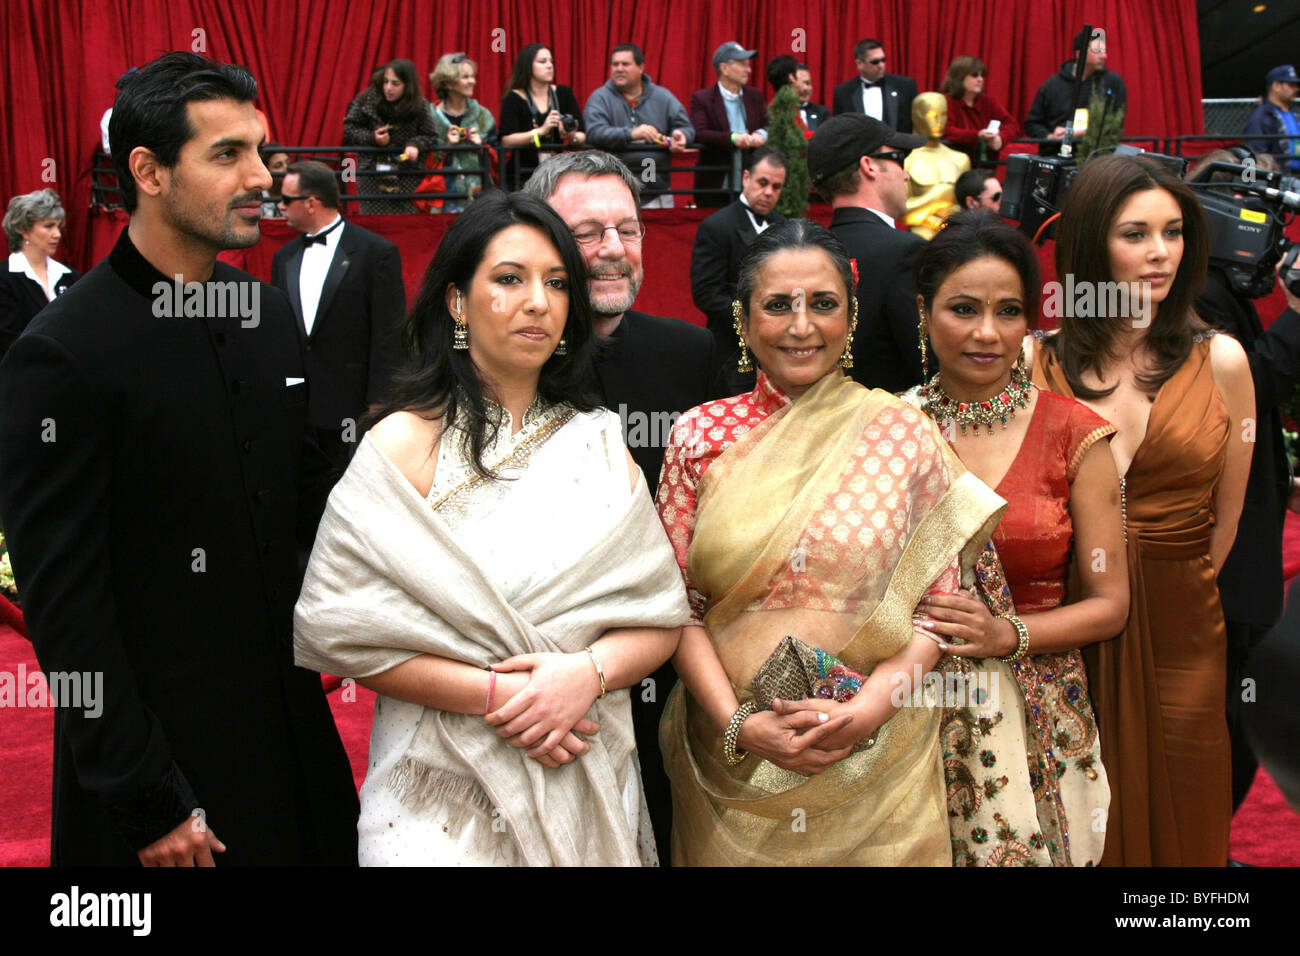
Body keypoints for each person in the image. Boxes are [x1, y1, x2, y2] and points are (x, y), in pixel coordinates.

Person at [0, 51, 359, 866]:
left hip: (295, 751)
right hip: (160, 788)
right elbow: (65, 609)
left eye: (260, 151)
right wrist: (146, 797)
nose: (262, 177)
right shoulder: (62, 352)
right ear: (148, 171)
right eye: (227, 154)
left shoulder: (268, 320)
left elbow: (315, 515)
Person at [293, 190, 691, 866]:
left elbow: (660, 616)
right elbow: (339, 628)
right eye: (509, 279)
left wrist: (586, 674)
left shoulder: (600, 442)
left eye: (557, 283)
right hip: (435, 799)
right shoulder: (400, 445)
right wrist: (505, 696)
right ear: (456, 301)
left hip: (585, 771)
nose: (537, 301)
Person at [655, 219, 1006, 865]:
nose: (801, 325)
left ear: (850, 316)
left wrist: (874, 705)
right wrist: (740, 724)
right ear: (742, 318)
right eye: (778, 304)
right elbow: (675, 606)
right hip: (732, 763)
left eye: (823, 304)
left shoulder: (903, 432)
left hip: (879, 756)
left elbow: (938, 607)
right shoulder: (698, 436)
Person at [1033, 154, 1254, 866]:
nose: (1161, 252)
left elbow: (1225, 522)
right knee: (1071, 818)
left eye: (1174, 231)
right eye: (1136, 234)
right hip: (1062, 629)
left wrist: (1167, 581)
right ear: (1092, 244)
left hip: (1183, 629)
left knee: (1185, 810)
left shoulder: (1222, 360)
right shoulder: (1034, 365)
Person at [902, 211, 1127, 866]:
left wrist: (1010, 635)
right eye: (963, 309)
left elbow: (1112, 605)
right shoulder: (887, 428)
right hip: (905, 712)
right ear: (924, 311)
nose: (986, 333)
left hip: (1038, 713)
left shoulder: (1076, 436)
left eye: (1008, 311)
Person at [523, 150, 717, 860]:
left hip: (676, 680)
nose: (612, 250)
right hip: (542, 690)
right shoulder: (501, 373)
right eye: (588, 232)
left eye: (628, 230)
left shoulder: (693, 355)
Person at [1189, 148, 1300, 813]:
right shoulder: (1198, 292)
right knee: (1228, 708)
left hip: (1245, 536)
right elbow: (1244, 392)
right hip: (1224, 564)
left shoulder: (1214, 283)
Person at [271, 160, 405, 471]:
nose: (279, 206)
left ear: (311, 203)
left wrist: (380, 403)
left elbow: (388, 332)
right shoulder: (284, 256)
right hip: (297, 406)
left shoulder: (376, 252)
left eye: (286, 200)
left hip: (352, 405)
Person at [807, 114, 926, 393]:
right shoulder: (905, 251)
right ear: (869, 165)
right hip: (889, 425)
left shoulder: (804, 251)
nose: (905, 173)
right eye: (898, 158)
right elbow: (926, 362)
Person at [690, 147, 786, 393]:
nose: (768, 192)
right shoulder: (716, 226)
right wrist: (753, 320)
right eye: (762, 182)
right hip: (732, 354)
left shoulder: (784, 226)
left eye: (776, 187)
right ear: (746, 178)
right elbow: (706, 293)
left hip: (779, 356)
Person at [583, 43, 693, 209]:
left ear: (641, 67)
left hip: (656, 190)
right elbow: (594, 132)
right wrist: (632, 133)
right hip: (612, 190)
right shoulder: (600, 98)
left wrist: (681, 135)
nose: (619, 69)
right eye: (615, 64)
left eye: (625, 64)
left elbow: (687, 128)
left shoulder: (662, 97)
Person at [343, 59, 439, 214]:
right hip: (372, 174)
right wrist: (372, 138)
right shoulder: (367, 100)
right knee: (373, 224)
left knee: (405, 224)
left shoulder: (420, 105)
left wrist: (415, 144)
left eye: (395, 84)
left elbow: (431, 136)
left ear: (408, 85)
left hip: (407, 175)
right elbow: (350, 127)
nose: (388, 88)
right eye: (386, 82)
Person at [1, 189, 80, 360]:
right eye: (48, 226)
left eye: (58, 226)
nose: (57, 234)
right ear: (24, 229)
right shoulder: (5, 278)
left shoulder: (70, 276)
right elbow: (8, 340)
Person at [689, 42, 769, 207]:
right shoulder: (703, 98)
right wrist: (733, 138)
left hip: (751, 182)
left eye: (748, 65)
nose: (749, 70)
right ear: (724, 68)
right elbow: (700, 132)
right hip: (716, 183)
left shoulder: (754, 96)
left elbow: (769, 125)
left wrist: (761, 134)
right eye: (743, 65)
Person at [498, 44, 587, 191]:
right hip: (522, 174)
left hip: (555, 173)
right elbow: (507, 140)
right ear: (528, 66)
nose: (549, 66)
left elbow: (582, 135)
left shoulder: (563, 93)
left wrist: (571, 136)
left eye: (551, 61)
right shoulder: (514, 98)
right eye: (542, 61)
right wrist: (541, 130)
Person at [1024, 30, 1126, 152]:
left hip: (1096, 155)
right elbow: (1032, 123)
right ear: (1080, 53)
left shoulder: (1112, 82)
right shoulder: (1052, 84)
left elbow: (1115, 123)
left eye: (1104, 50)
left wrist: (1077, 133)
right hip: (1055, 153)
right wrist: (1050, 137)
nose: (1104, 55)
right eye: (1097, 50)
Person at [428, 53, 497, 213]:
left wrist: (481, 147)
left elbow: (499, 159)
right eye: (465, 77)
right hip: (444, 198)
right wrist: (445, 147)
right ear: (448, 83)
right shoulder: (430, 118)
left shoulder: (483, 116)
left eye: (472, 76)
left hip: (479, 198)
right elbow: (422, 163)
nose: (472, 81)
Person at [940, 56, 1017, 164]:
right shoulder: (944, 102)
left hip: (984, 166)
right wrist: (977, 136)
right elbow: (945, 130)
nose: (980, 79)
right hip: (953, 165)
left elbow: (1011, 124)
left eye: (982, 75)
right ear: (959, 77)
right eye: (974, 75)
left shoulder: (988, 102)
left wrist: (1000, 139)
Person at [831, 38, 919, 133]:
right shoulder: (844, 92)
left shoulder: (905, 86)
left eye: (883, 60)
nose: (881, 65)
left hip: (898, 146)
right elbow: (839, 130)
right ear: (859, 63)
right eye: (875, 62)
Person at [1243, 65, 1300, 174]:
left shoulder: (1296, 112)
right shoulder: (1260, 116)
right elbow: (1255, 153)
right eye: (1291, 85)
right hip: (1280, 178)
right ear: (1276, 86)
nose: (1296, 89)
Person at [794, 64, 830, 131]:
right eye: (800, 83)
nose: (805, 88)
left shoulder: (822, 113)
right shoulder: (779, 112)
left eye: (808, 83)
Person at [259, 143, 290, 217]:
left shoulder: (298, 193)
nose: (287, 168)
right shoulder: (257, 198)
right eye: (278, 166)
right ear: (266, 170)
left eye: (288, 163)